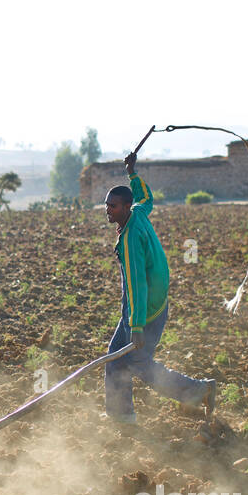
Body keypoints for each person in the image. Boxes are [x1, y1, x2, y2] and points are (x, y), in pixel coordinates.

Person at [102, 150, 216, 424]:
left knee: (139, 364)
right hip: (149, 303)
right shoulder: (139, 213)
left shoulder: (129, 240)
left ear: (125, 207)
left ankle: (199, 390)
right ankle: (121, 416)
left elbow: (137, 286)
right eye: (107, 205)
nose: (108, 210)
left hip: (145, 309)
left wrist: (137, 327)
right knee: (115, 359)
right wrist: (132, 173)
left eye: (114, 206)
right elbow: (146, 198)